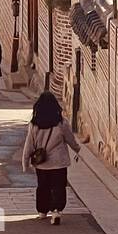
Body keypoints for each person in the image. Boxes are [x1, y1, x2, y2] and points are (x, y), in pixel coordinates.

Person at [21, 91, 81, 225]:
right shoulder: (61, 123)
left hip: (42, 164)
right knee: (59, 186)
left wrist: (25, 162)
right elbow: (70, 139)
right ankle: (56, 211)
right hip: (59, 162)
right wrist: (77, 149)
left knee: (43, 186)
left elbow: (29, 145)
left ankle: (42, 212)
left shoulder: (34, 125)